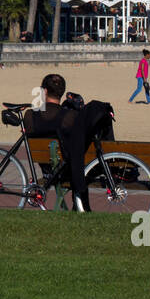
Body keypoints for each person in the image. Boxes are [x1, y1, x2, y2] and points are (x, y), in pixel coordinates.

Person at [23, 74, 91, 212]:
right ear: (62, 92)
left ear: (45, 91)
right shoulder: (70, 117)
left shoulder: (30, 116)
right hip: (65, 170)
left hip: (47, 170)